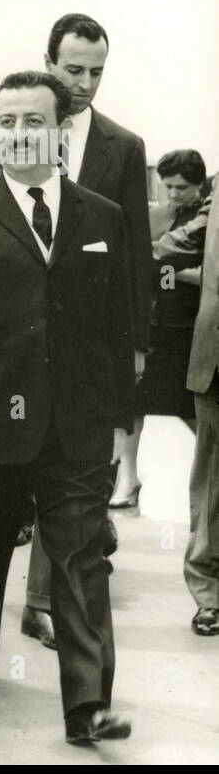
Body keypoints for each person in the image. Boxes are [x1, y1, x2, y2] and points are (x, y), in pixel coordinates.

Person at [0, 70, 134, 745]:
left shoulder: (104, 216)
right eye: (5, 122)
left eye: (32, 121)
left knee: (80, 558)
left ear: (60, 129)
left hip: (78, 423)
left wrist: (126, 421)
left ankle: (88, 706)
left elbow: (122, 321)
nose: (16, 134)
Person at [0, 13, 152, 653]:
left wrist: (137, 349)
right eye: (73, 69)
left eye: (97, 71)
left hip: (80, 360)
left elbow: (135, 259)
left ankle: (44, 607)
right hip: (2, 364)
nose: (86, 82)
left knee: (73, 515)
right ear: (48, 62)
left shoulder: (123, 147)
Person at [109, 149, 206, 507]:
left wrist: (168, 271)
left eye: (182, 187)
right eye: (168, 186)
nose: (174, 193)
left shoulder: (207, 219)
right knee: (135, 404)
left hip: (189, 327)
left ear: (199, 184)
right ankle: (128, 478)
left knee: (191, 407)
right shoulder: (154, 215)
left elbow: (205, 274)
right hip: (152, 324)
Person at [158, 196, 219, 634]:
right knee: (213, 480)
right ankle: (209, 594)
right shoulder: (216, 202)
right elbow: (175, 244)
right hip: (215, 359)